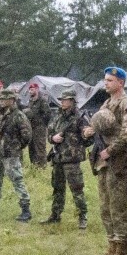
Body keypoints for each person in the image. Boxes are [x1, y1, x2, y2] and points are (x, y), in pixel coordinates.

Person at [90, 67, 127, 255]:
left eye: (110, 80)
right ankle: (111, 245)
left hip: (117, 160)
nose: (106, 83)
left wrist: (111, 150)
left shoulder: (126, 103)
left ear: (120, 82)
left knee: (117, 205)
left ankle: (122, 250)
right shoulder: (106, 102)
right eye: (105, 80)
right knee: (105, 205)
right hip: (103, 160)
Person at [0, 89, 33, 221]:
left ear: (12, 100)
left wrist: (17, 146)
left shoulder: (19, 115)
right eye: (1, 99)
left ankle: (25, 209)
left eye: (5, 99)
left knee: (17, 180)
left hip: (11, 154)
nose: (2, 101)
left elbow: (27, 135)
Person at [44, 87, 89, 227]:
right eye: (62, 100)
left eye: (65, 100)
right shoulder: (57, 116)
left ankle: (82, 216)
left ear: (72, 101)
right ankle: (55, 214)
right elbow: (49, 133)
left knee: (77, 189)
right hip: (58, 157)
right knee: (57, 188)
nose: (62, 102)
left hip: (72, 159)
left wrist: (83, 137)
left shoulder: (80, 118)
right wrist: (53, 138)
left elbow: (88, 139)